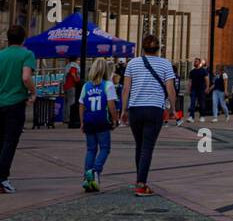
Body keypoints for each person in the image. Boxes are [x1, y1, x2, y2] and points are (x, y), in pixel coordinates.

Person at [121, 33, 177, 197]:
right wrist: (173, 109)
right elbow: (170, 89)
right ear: (158, 48)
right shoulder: (165, 64)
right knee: (147, 147)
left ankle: (140, 179)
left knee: (139, 145)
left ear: (143, 47)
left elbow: (126, 89)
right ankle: (141, 183)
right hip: (154, 109)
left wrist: (123, 110)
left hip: (135, 109)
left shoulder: (132, 64)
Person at [0, 25, 36, 193]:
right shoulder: (27, 54)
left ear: (8, 38)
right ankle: (2, 179)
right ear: (23, 39)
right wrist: (33, 92)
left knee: (1, 140)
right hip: (15, 103)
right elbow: (26, 77)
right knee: (10, 141)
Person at [80, 58, 119, 192]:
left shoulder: (86, 86)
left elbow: (81, 104)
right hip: (102, 121)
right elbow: (111, 105)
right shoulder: (108, 85)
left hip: (89, 120)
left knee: (91, 149)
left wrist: (81, 121)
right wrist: (115, 119)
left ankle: (87, 176)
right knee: (104, 148)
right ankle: (96, 171)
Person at [188, 58, 210, 123]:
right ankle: (191, 117)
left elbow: (207, 79)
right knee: (192, 103)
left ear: (199, 63)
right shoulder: (192, 72)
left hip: (201, 89)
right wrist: (189, 89)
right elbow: (190, 81)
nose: (195, 62)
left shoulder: (203, 71)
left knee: (202, 103)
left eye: (196, 61)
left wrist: (207, 88)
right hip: (193, 89)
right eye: (194, 61)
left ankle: (202, 116)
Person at [62, 60, 80, 128]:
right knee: (71, 102)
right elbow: (73, 74)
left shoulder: (67, 65)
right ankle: (70, 118)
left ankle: (65, 118)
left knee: (66, 103)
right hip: (71, 86)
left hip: (66, 86)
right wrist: (77, 80)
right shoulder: (73, 65)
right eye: (78, 59)